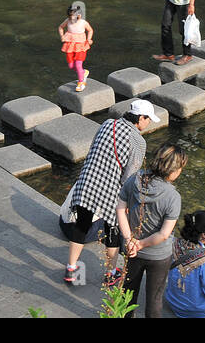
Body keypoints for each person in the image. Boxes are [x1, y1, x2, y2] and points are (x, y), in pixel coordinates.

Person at [59, 99, 157, 286]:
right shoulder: (138, 141)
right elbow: (130, 176)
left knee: (82, 224)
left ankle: (71, 269)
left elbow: (93, 150)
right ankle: (111, 273)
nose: (149, 123)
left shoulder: (108, 123)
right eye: (148, 119)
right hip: (111, 191)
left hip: (86, 182)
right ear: (140, 118)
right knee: (113, 231)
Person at [117, 142, 189, 319]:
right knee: (154, 301)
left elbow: (120, 208)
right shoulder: (173, 197)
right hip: (158, 256)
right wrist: (141, 244)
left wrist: (129, 240)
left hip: (132, 250)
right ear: (173, 171)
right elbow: (164, 234)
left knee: (128, 293)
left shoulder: (135, 179)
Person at [58, 0, 94, 92]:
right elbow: (61, 27)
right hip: (70, 45)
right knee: (71, 66)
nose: (72, 19)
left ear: (79, 15)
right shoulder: (67, 21)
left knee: (78, 65)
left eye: (74, 17)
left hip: (81, 45)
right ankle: (83, 72)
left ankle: (81, 82)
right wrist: (62, 36)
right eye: (70, 17)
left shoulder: (83, 22)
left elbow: (90, 30)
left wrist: (89, 39)